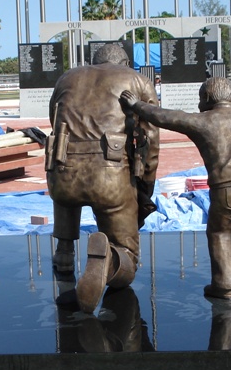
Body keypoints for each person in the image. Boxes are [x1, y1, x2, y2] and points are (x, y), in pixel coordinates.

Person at [120, 76, 231, 300]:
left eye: (200, 99)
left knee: (219, 232)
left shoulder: (205, 120)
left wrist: (136, 105)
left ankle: (224, 284)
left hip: (227, 187)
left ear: (207, 97)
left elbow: (166, 117)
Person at [46, 44, 159, 313]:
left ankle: (64, 253)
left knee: (66, 183)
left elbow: (55, 120)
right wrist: (146, 185)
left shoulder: (66, 78)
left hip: (63, 173)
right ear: (126, 63)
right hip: (111, 174)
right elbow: (150, 139)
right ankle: (108, 261)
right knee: (128, 256)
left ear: (93, 61)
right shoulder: (137, 80)